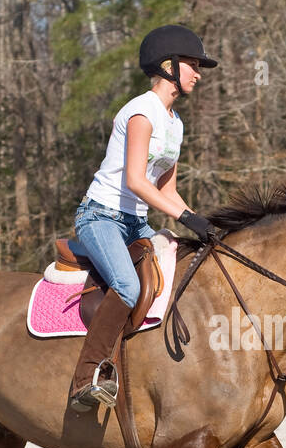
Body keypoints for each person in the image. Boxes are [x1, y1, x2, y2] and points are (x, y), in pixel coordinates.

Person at [65, 24, 222, 413]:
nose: (198, 74)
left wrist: (199, 222)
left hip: (136, 223)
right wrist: (184, 216)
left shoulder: (175, 123)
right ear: (168, 66)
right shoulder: (141, 111)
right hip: (100, 217)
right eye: (192, 65)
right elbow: (136, 180)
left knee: (180, 275)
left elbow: (166, 191)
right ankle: (86, 377)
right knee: (127, 286)